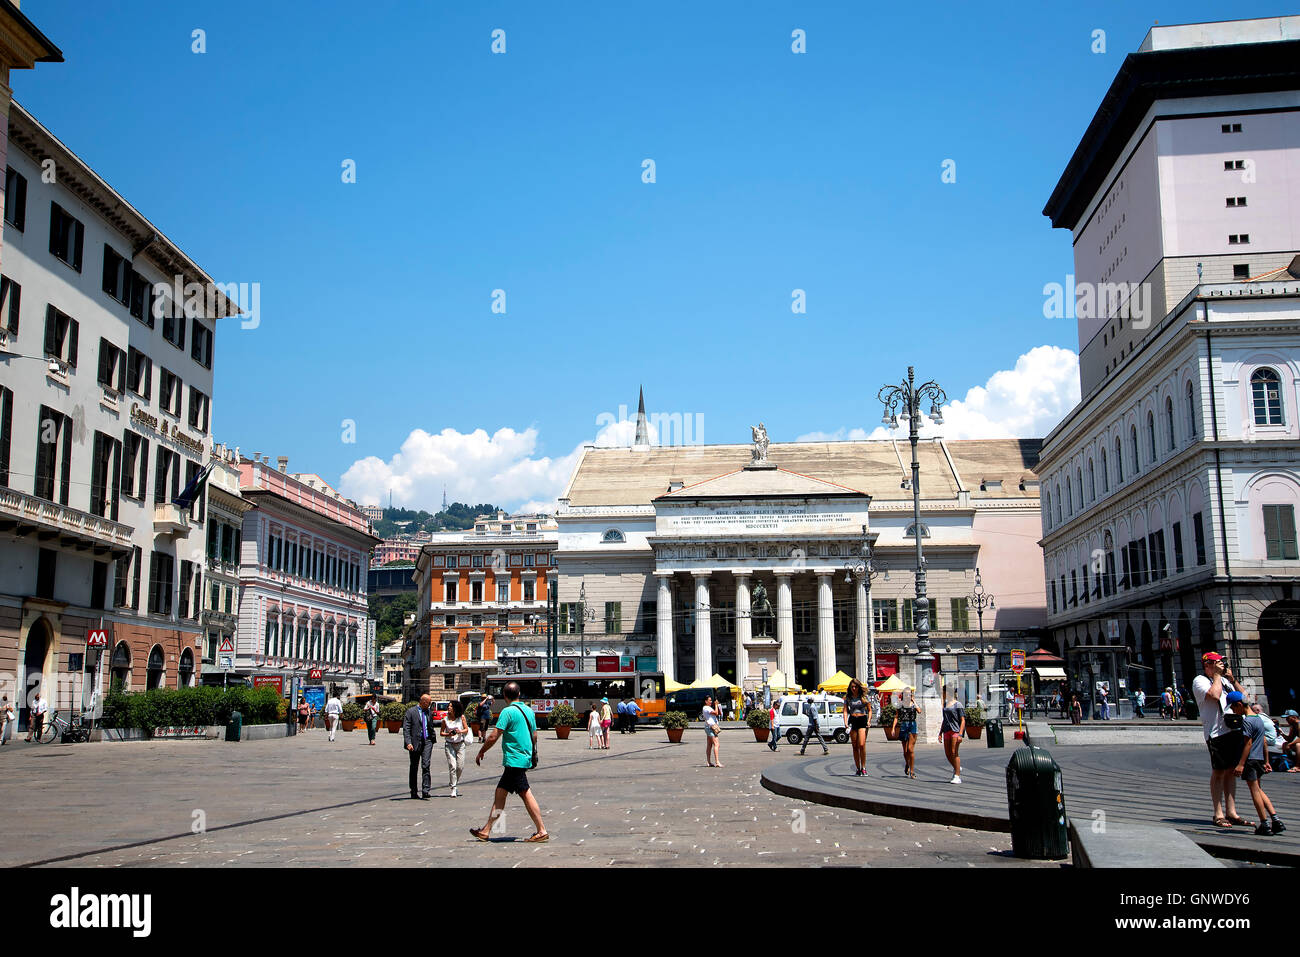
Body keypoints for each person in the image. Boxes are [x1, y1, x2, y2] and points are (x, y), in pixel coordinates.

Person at [471, 681, 547, 843]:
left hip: (514, 760)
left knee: (525, 793)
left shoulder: (507, 712)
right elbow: (534, 736)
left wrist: (481, 751)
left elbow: (494, 735)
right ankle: (486, 830)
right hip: (523, 757)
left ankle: (541, 830)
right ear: (519, 694)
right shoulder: (529, 710)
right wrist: (531, 751)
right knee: (500, 794)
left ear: (504, 695)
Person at [1191, 652, 1251, 829]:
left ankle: (1231, 812)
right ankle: (1218, 813)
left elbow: (1245, 699)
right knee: (1218, 772)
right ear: (1207, 664)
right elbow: (1215, 696)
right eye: (1218, 663)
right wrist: (1217, 676)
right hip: (1216, 733)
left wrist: (1232, 680)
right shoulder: (1200, 681)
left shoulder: (1225, 680)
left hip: (1233, 729)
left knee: (1231, 772)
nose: (1222, 666)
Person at [1227, 692, 1287, 836]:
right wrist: (1266, 761)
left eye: (1234, 708)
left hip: (1250, 760)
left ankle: (1264, 824)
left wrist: (1241, 764)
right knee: (1259, 790)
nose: (1233, 711)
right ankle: (1276, 820)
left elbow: (1248, 743)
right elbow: (1264, 741)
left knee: (1254, 792)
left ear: (1239, 705)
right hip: (1259, 758)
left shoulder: (1247, 721)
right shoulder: (1259, 719)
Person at [402, 694, 435, 800]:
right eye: (429, 703)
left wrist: (432, 738)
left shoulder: (429, 712)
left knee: (426, 765)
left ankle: (426, 790)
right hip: (415, 742)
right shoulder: (411, 712)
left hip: (427, 741)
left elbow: (430, 726)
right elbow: (406, 728)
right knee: (414, 767)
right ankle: (414, 791)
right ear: (423, 702)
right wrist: (408, 742)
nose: (430, 705)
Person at [844, 679, 871, 776]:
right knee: (855, 746)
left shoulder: (863, 697)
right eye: (852, 687)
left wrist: (868, 720)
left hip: (862, 719)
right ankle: (858, 768)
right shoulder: (848, 697)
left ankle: (863, 767)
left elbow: (869, 710)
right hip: (852, 720)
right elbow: (845, 710)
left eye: (855, 687)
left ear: (859, 687)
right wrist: (845, 722)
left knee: (862, 744)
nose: (854, 688)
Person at [442, 700, 469, 798]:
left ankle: (454, 782)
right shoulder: (445, 719)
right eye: (448, 706)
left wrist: (460, 731)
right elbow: (441, 733)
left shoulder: (461, 717)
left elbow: (466, 729)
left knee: (460, 767)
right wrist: (448, 734)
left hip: (460, 744)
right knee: (452, 766)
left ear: (455, 708)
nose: (449, 708)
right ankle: (453, 787)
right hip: (449, 744)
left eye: (450, 706)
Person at [939, 686, 965, 784]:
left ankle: (957, 775)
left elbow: (962, 720)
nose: (943, 694)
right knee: (947, 753)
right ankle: (957, 767)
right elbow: (944, 719)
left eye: (944, 692)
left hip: (955, 730)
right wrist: (940, 732)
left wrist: (960, 734)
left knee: (954, 752)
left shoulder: (958, 704)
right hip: (946, 730)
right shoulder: (945, 704)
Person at [893, 689, 919, 779]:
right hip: (904, 725)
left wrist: (914, 701)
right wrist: (893, 728)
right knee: (905, 751)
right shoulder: (901, 705)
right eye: (906, 695)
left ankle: (912, 771)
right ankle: (907, 763)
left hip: (912, 726)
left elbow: (919, 711)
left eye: (909, 694)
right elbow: (896, 717)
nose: (908, 696)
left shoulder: (913, 704)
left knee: (910, 749)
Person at [702, 695, 723, 767]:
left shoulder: (709, 707)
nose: (711, 702)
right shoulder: (706, 708)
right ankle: (717, 762)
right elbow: (716, 713)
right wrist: (716, 705)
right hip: (711, 727)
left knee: (709, 745)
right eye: (709, 700)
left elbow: (718, 713)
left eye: (711, 700)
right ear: (706, 701)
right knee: (717, 744)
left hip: (710, 727)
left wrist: (717, 706)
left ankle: (708, 762)